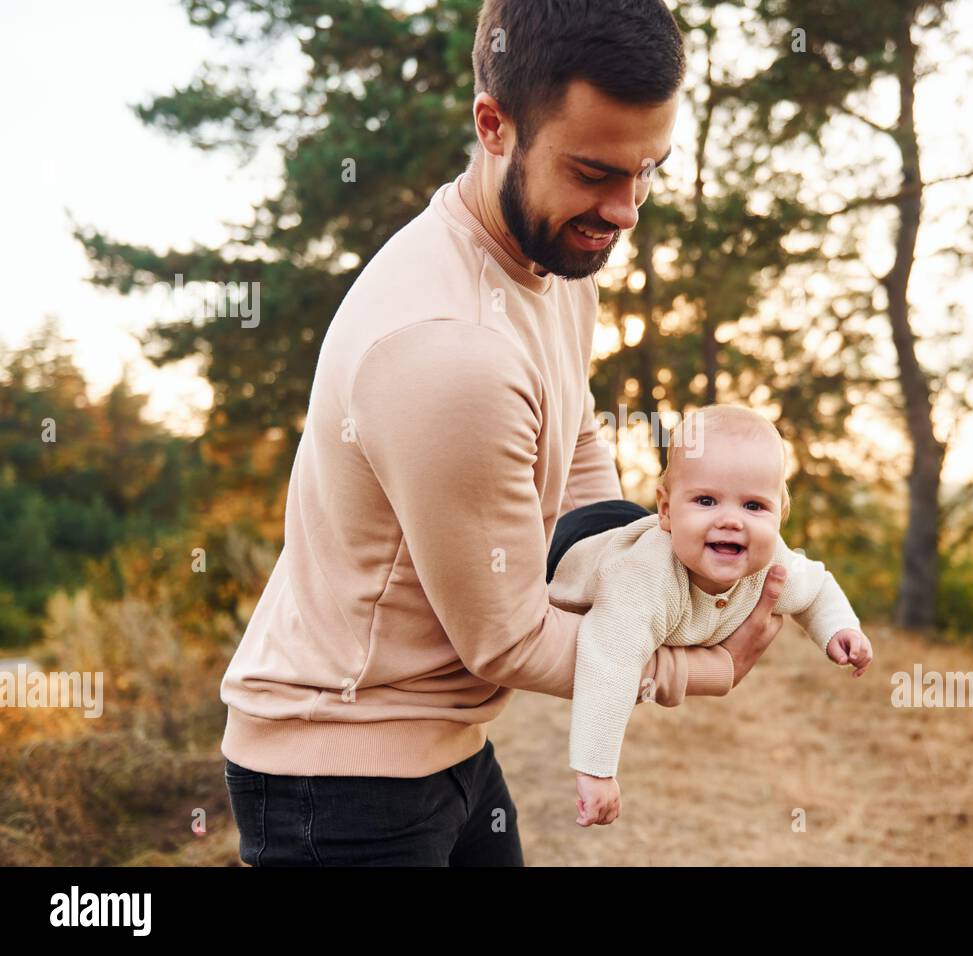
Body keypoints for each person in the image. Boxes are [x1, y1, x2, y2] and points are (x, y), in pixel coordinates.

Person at [218, 0, 787, 867]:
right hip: (336, 777)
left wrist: (642, 564)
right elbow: (510, 637)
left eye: (647, 173)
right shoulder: (451, 354)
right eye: (595, 170)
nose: (626, 210)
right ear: (494, 124)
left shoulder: (553, 259)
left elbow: (575, 441)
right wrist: (705, 664)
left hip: (449, 743)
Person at [546, 405, 873, 827]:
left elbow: (818, 588)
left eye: (754, 506)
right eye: (706, 500)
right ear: (666, 510)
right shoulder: (646, 581)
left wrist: (840, 629)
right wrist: (597, 770)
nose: (731, 520)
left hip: (645, 527)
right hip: (571, 548)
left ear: (780, 516)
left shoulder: (771, 565)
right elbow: (609, 660)